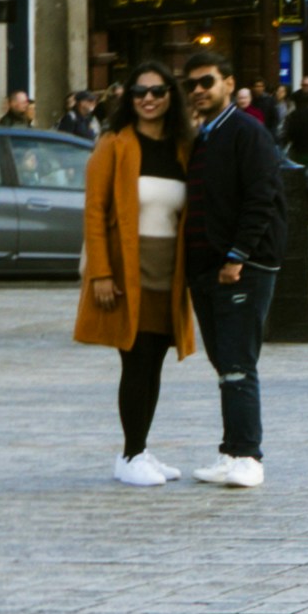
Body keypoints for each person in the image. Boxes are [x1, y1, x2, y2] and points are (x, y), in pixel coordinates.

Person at [77, 65, 197, 482]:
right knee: (136, 361)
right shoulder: (114, 144)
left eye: (158, 90)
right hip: (128, 274)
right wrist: (100, 274)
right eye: (140, 92)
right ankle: (131, 455)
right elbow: (94, 212)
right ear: (128, 98)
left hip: (170, 275)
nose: (149, 98)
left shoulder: (184, 146)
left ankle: (141, 449)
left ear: (170, 95)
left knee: (155, 363)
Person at [183, 52, 294, 487]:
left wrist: (237, 257)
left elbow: (262, 196)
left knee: (237, 363)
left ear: (228, 83)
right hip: (206, 267)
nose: (197, 90)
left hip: (238, 267)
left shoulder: (247, 131)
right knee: (223, 361)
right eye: (190, 83)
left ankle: (249, 456)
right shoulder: (203, 136)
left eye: (206, 81)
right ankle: (232, 451)